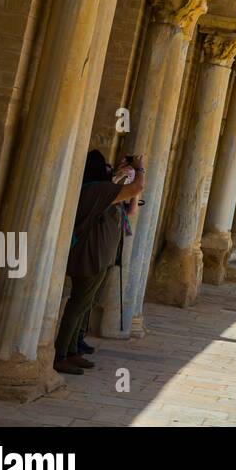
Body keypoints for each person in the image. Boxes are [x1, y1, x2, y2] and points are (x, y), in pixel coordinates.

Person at [54, 151, 143, 376]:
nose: (109, 170)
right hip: (90, 257)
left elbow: (130, 202)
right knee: (77, 306)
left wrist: (125, 173)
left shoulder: (97, 190)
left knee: (83, 305)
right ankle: (60, 354)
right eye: (105, 166)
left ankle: (72, 350)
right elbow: (135, 189)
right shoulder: (96, 190)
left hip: (97, 256)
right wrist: (139, 168)